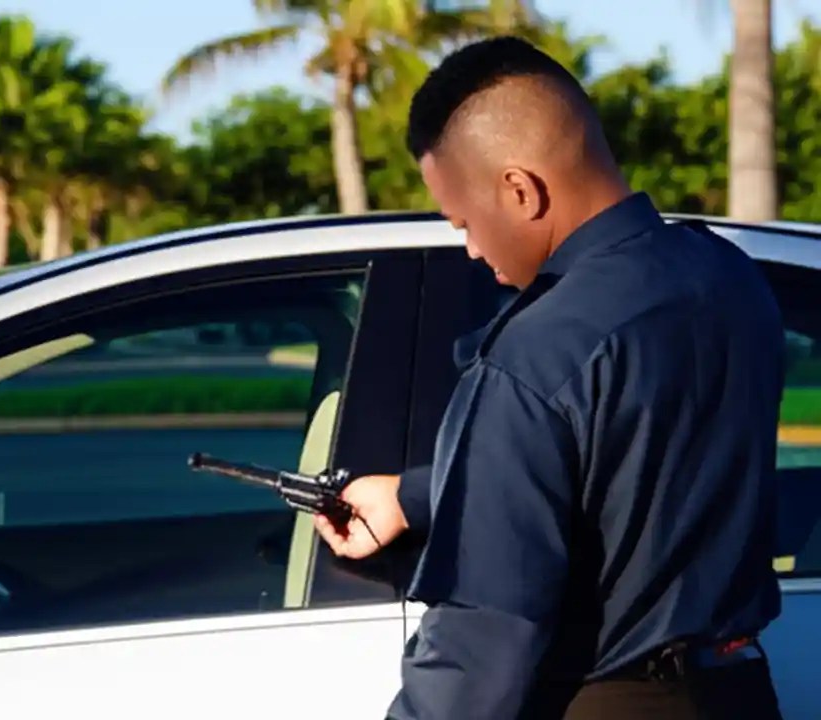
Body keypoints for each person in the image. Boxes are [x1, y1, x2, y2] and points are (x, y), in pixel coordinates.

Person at [312, 36, 786, 719]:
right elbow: (630, 473)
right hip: (741, 692)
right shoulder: (729, 279)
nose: (472, 249)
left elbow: (484, 640)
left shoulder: (533, 355)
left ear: (520, 190)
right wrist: (413, 496)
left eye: (465, 222)